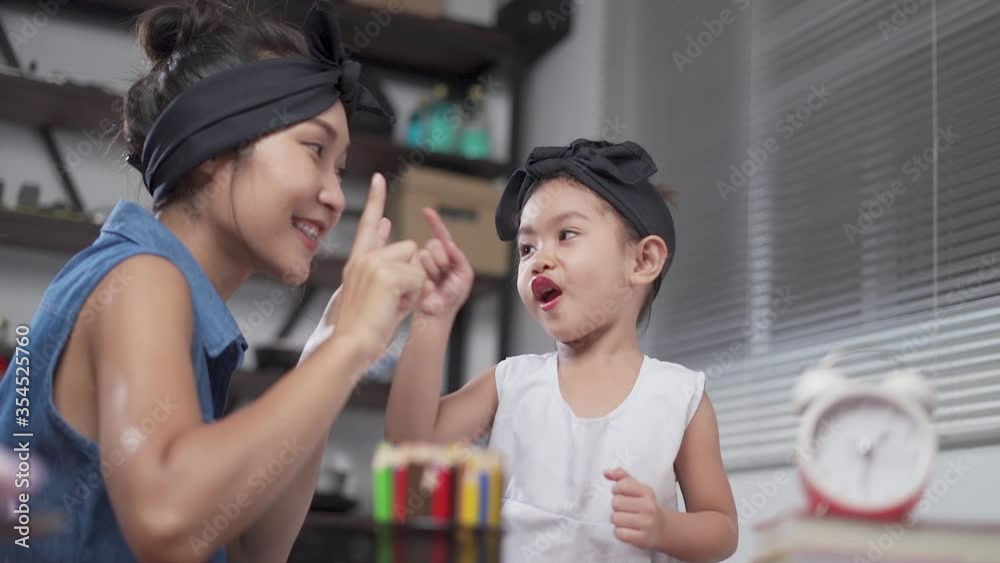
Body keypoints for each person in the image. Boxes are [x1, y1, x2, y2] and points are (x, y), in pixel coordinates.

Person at [0, 1, 431, 561]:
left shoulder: (164, 292)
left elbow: (252, 548)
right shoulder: (142, 279)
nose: (333, 195)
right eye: (314, 150)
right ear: (211, 147)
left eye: (340, 168)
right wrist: (352, 346)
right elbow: (167, 519)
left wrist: (331, 346)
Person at [385, 138, 739, 563]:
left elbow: (722, 530)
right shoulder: (511, 383)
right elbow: (410, 446)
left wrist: (664, 527)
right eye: (527, 248)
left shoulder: (680, 398)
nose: (539, 260)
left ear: (642, 261)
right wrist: (432, 319)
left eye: (566, 235)